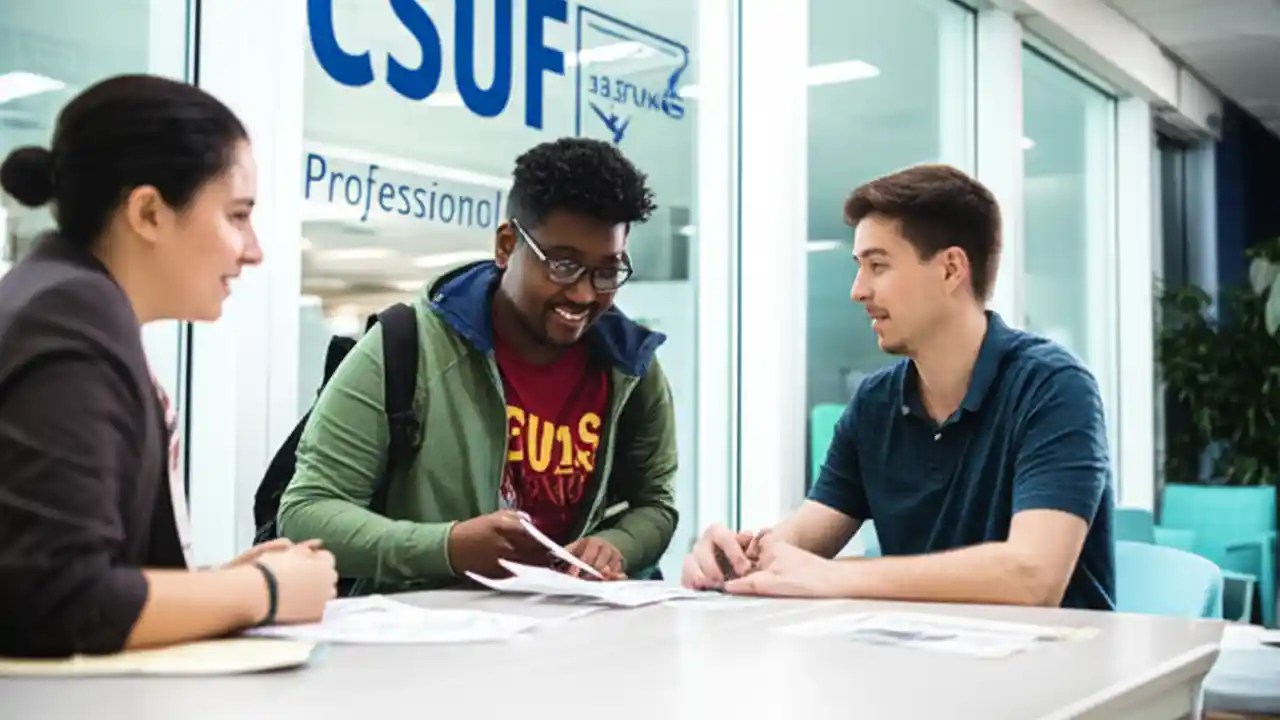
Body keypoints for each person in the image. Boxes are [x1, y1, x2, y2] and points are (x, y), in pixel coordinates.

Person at [0, 74, 337, 658]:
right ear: (149, 212)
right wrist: (263, 591)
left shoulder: (61, 298)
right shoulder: (71, 314)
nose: (253, 250)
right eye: (236, 216)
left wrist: (217, 587)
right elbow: (55, 598)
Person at [684, 164, 1115, 610]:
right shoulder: (876, 403)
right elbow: (798, 545)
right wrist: (732, 562)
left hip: (1056, 652)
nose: (857, 290)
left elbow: (1033, 576)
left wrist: (836, 576)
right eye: (860, 268)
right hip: (924, 647)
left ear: (950, 270)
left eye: (878, 266)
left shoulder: (1054, 387)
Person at [278, 137, 678, 590]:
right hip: (431, 627)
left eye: (607, 272)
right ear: (507, 246)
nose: (585, 294)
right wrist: (447, 548)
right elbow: (306, 511)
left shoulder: (630, 366)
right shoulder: (406, 346)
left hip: (575, 624)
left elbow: (656, 504)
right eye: (563, 266)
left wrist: (618, 544)